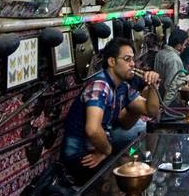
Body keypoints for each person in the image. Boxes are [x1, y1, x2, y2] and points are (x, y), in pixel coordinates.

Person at [61, 38, 161, 185]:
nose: (132, 64)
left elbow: (150, 110)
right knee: (125, 178)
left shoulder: (122, 87)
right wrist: (106, 151)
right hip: (82, 157)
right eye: (127, 59)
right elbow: (93, 129)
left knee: (134, 157)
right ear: (112, 62)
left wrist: (153, 86)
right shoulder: (100, 85)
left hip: (99, 150)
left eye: (133, 59)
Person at [155, 28, 189, 105]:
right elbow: (170, 85)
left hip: (159, 96)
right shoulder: (174, 59)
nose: (185, 47)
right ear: (179, 46)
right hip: (171, 101)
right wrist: (165, 107)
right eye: (185, 44)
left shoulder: (160, 53)